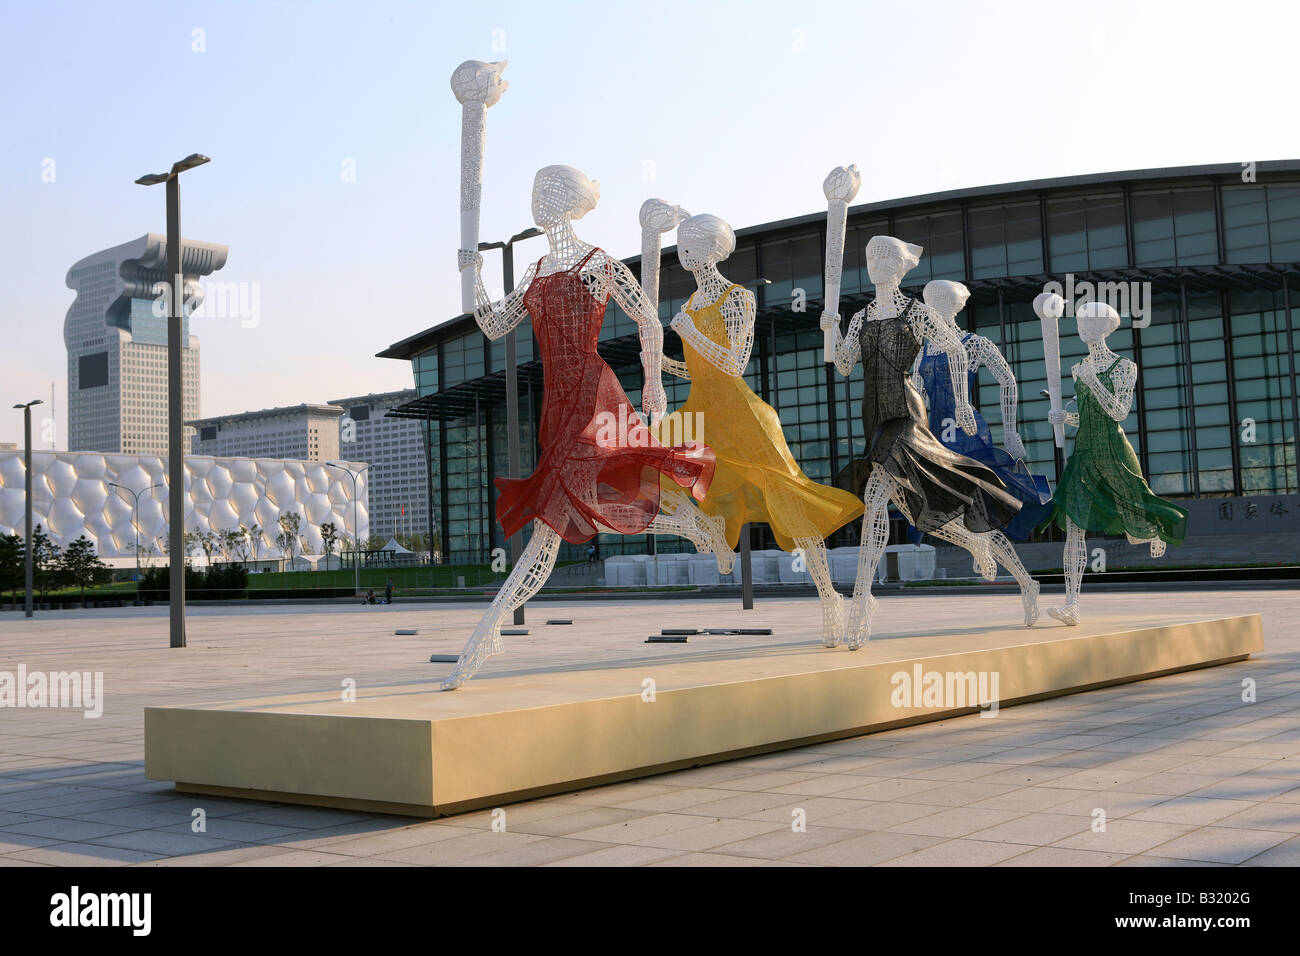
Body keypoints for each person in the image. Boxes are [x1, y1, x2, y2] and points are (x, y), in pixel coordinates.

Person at [440, 165, 716, 690]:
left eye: (544, 192)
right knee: (573, 507)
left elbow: (649, 319)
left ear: (566, 201)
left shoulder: (597, 263)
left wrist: (652, 381)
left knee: (549, 524)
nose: (535, 201)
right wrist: (471, 272)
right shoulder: (538, 269)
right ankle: (686, 525)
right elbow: (495, 324)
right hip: (557, 403)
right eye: (534, 191)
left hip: (592, 392)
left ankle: (480, 641)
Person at [653, 213, 865, 646]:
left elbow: (733, 364)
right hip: (701, 412)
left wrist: (690, 332)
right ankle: (709, 533)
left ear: (715, 249)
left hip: (743, 417)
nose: (683, 248)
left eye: (694, 241)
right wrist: (660, 363)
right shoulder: (688, 307)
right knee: (654, 468)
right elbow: (696, 371)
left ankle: (830, 597)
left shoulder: (737, 298)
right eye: (681, 241)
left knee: (791, 504)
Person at [823, 235, 1027, 647]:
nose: (877, 264)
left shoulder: (916, 312)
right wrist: (832, 329)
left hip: (905, 413)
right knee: (915, 507)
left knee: (876, 498)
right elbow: (844, 365)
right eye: (871, 258)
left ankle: (861, 605)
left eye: (886, 258)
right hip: (874, 418)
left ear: (901, 269)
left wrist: (965, 403)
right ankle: (974, 541)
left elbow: (954, 349)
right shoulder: (861, 316)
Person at [1036, 295, 1187, 625]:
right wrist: (1064, 417)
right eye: (1079, 323)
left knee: (1136, 507)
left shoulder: (1124, 367)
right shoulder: (1078, 368)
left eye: (1089, 322)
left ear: (1105, 327)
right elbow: (1086, 416)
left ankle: (1154, 529)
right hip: (1085, 452)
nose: (1082, 328)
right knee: (1074, 526)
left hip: (1114, 450)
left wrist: (1092, 383)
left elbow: (1118, 412)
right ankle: (1071, 604)